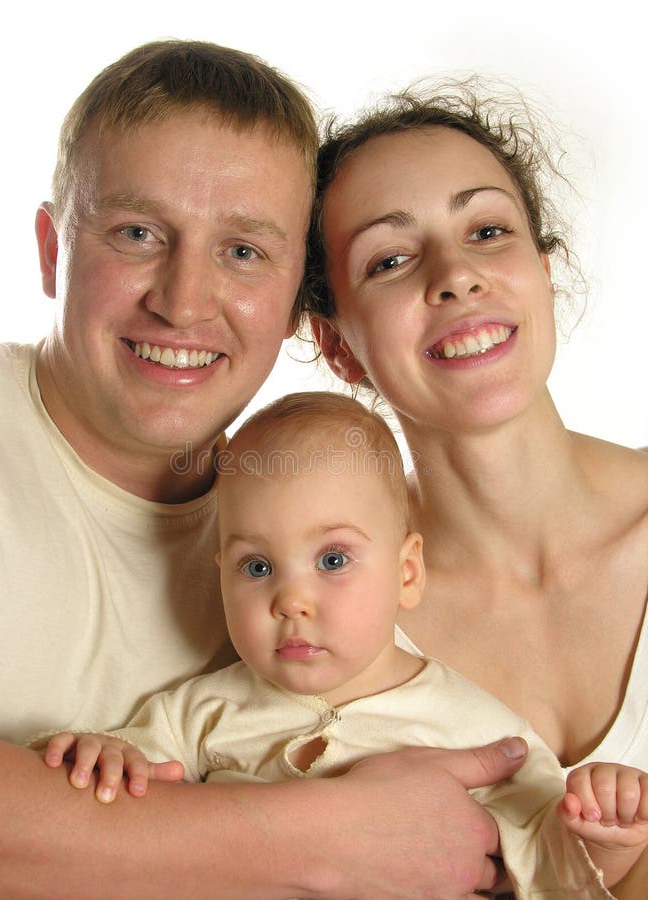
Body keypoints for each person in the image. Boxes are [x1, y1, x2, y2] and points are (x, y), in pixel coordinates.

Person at [0, 45, 527, 899]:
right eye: (137, 234)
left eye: (244, 251)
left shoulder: (300, 528)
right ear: (50, 249)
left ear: (299, 294)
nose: (183, 302)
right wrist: (313, 838)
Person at [38, 391, 645, 895]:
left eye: (332, 559)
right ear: (219, 573)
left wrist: (601, 832)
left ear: (406, 573)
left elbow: (550, 866)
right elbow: (124, 790)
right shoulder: (198, 713)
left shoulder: (479, 732)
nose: (291, 599)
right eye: (255, 567)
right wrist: (107, 754)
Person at [305, 79, 648, 897]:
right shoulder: (319, 608)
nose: (455, 276)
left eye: (486, 231)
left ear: (542, 270)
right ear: (339, 347)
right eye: (389, 259)